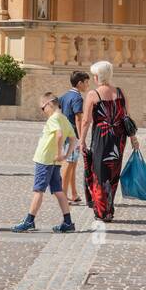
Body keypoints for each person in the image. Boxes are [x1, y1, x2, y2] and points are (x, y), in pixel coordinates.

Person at [80, 60, 139, 222]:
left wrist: (82, 140)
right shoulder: (120, 92)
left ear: (99, 76)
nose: (93, 78)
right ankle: (109, 209)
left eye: (94, 75)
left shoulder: (93, 94)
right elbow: (127, 117)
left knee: (99, 173)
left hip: (102, 138)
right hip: (118, 140)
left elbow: (86, 121)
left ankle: (102, 211)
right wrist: (133, 138)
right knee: (113, 174)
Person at [12, 92, 77, 234]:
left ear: (49, 104)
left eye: (43, 108)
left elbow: (59, 134)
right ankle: (67, 222)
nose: (43, 111)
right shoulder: (65, 119)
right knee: (59, 191)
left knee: (38, 190)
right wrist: (65, 155)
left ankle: (29, 221)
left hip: (45, 160)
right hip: (54, 163)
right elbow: (73, 139)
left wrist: (59, 152)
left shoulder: (54, 118)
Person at [58, 70, 89, 206]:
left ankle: (74, 193)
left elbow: (58, 109)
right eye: (86, 82)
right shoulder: (77, 98)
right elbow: (78, 118)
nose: (87, 85)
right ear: (79, 83)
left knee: (73, 164)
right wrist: (81, 136)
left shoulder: (65, 95)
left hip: (65, 133)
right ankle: (63, 195)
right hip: (73, 135)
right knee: (68, 164)